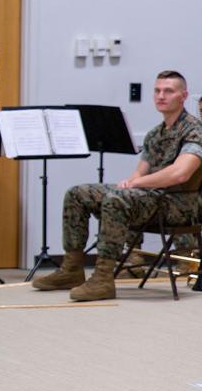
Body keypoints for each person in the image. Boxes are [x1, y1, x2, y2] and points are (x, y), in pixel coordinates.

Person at [34, 70, 202, 301]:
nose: (161, 96)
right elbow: (139, 172)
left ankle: (103, 278)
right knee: (78, 194)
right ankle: (72, 269)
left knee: (116, 199)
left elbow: (180, 174)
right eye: (157, 90)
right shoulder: (155, 134)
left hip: (179, 204)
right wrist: (130, 184)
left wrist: (135, 184)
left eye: (168, 91)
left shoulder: (194, 130)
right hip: (152, 198)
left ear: (183, 96)